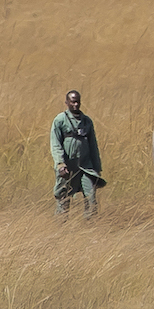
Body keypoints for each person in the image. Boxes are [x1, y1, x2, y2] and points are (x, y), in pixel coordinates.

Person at [52, 90, 105, 218]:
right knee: (64, 198)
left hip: (85, 167)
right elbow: (55, 144)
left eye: (77, 102)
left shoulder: (87, 121)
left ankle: (90, 225)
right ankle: (61, 226)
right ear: (66, 103)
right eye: (72, 102)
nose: (75, 105)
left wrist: (97, 168)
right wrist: (60, 164)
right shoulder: (60, 120)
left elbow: (93, 146)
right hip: (68, 167)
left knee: (91, 196)